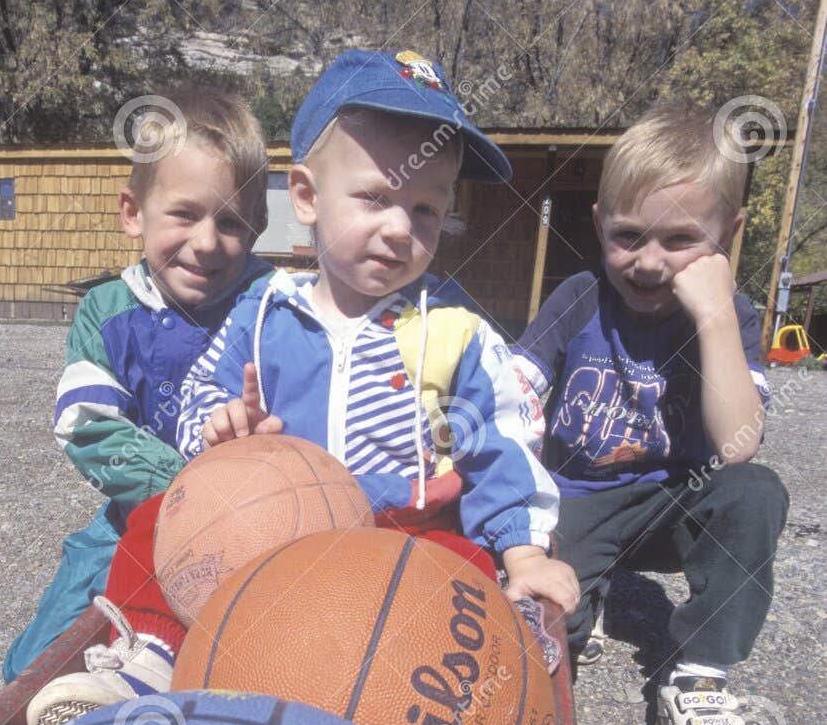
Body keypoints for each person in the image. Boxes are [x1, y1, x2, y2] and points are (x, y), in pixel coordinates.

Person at [177, 49, 578, 622]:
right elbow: (202, 390)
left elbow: (498, 443)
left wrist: (525, 552)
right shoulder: (264, 314)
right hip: (274, 522)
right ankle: (151, 658)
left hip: (404, 531)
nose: (398, 229)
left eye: (424, 211)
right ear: (307, 197)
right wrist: (218, 426)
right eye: (375, 198)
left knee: (463, 576)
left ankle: (424, 687)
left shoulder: (452, 331)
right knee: (154, 531)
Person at [512, 101, 789, 725]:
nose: (648, 261)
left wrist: (717, 314)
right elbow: (517, 387)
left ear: (726, 237)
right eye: (628, 235)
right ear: (601, 222)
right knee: (545, 632)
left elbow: (739, 444)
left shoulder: (738, 318)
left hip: (677, 501)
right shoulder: (579, 299)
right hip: (581, 499)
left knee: (754, 491)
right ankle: (590, 595)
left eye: (680, 240)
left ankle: (698, 677)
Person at [2, 85, 271, 690]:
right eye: (184, 213)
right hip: (135, 516)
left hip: (259, 524)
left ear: (255, 230)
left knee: (254, 661)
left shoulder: (273, 307)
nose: (206, 242)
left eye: (230, 222)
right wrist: (185, 488)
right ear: (133, 213)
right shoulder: (108, 310)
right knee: (36, 667)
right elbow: (86, 423)